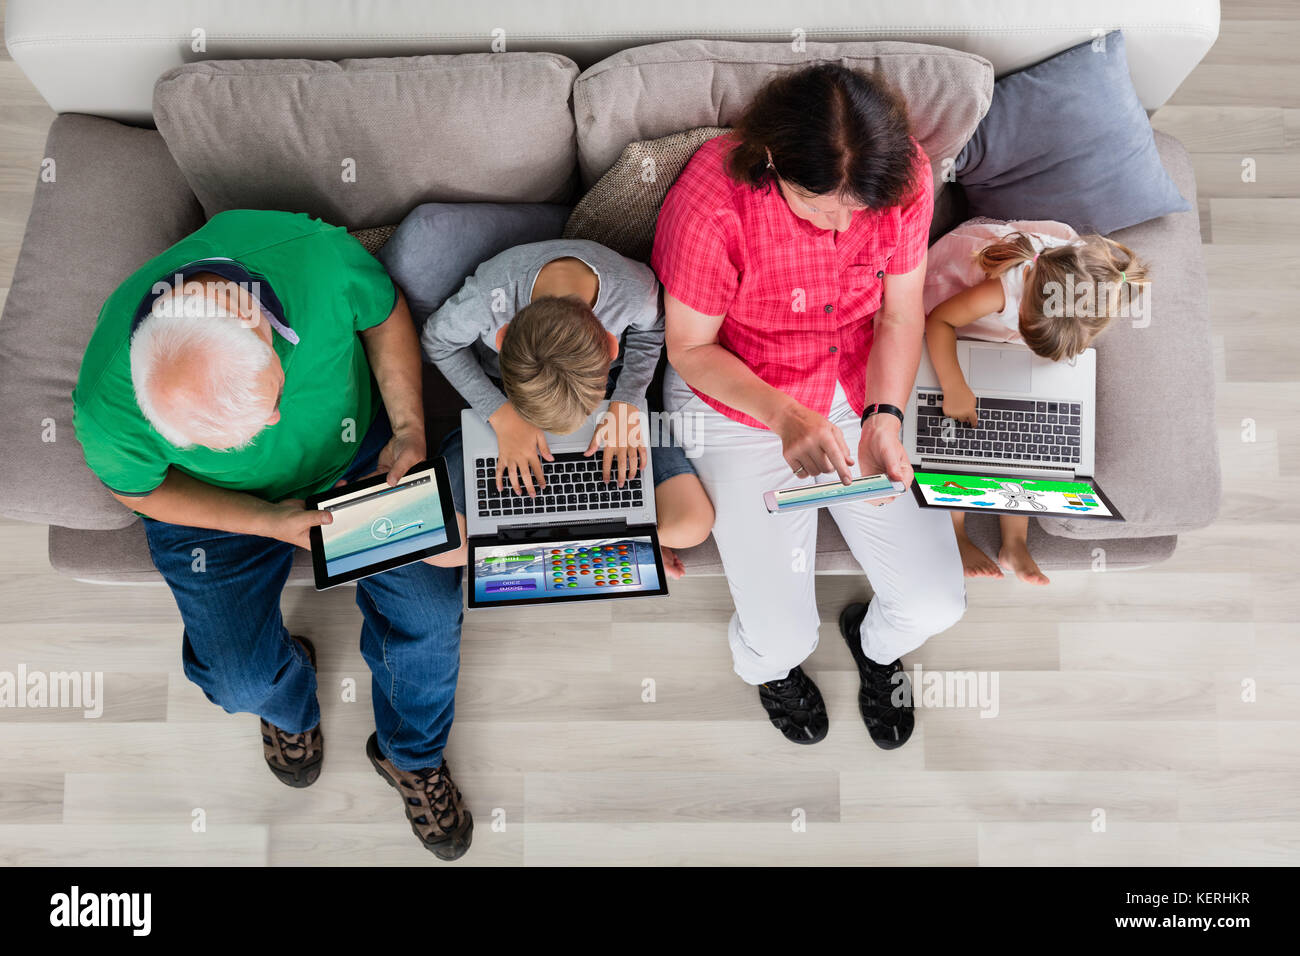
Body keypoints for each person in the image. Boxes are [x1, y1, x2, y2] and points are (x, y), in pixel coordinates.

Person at [71, 210, 474, 861]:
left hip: (353, 460)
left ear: (254, 318)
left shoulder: (313, 256)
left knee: (429, 611)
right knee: (236, 679)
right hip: (222, 511)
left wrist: (409, 431)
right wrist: (267, 521)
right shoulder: (106, 403)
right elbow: (138, 489)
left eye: (273, 396)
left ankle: (411, 754)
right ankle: (290, 705)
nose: (280, 417)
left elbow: (381, 313)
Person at [651, 63, 967, 748]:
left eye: (856, 209)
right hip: (738, 396)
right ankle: (772, 670)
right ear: (771, 161)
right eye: (819, 203)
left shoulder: (900, 175)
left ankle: (876, 648)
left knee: (938, 602)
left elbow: (900, 314)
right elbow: (690, 349)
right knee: (778, 637)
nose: (840, 222)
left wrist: (883, 415)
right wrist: (786, 417)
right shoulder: (715, 200)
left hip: (856, 382)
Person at [421, 238, 714, 576]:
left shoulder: (632, 290)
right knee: (438, 547)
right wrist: (500, 414)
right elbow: (437, 340)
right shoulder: (491, 294)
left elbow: (655, 328)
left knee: (693, 525)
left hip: (610, 399)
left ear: (610, 345)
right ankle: (612, 547)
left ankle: (546, 552)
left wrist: (627, 400)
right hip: (508, 401)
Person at [923, 220, 1150, 584]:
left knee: (1028, 441)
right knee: (955, 434)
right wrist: (954, 386)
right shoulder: (1003, 290)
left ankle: (1013, 542)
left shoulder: (1088, 285)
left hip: (1001, 341)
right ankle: (956, 533)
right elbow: (940, 321)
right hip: (951, 319)